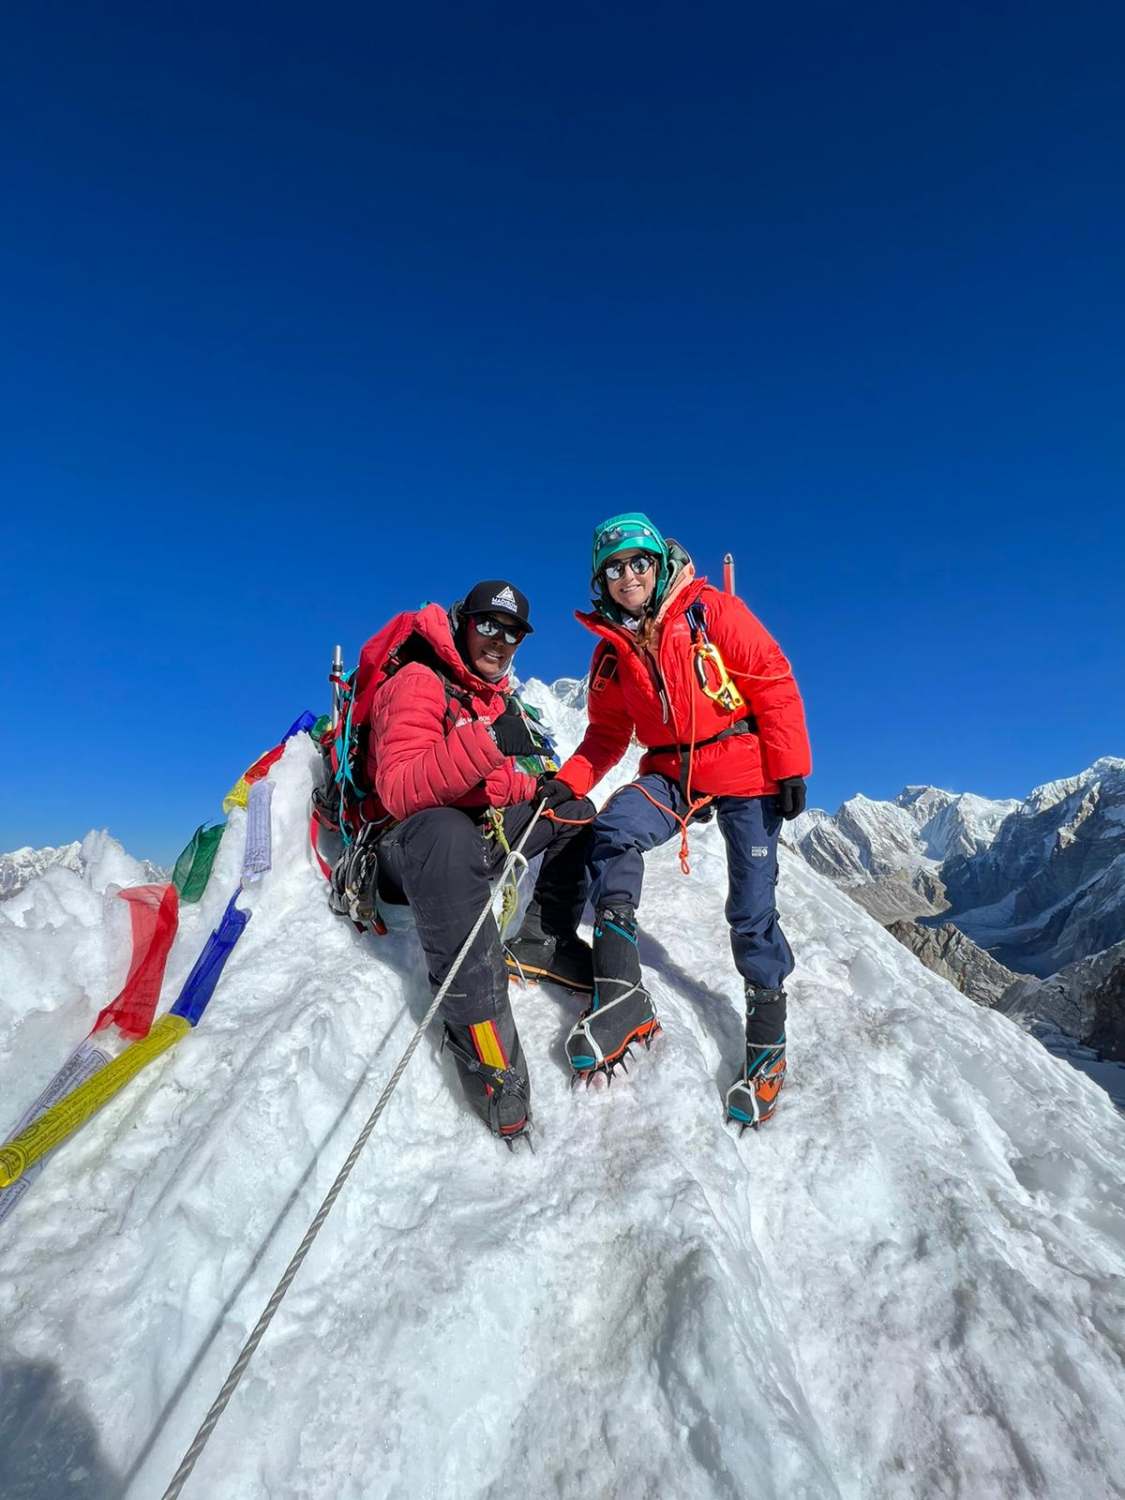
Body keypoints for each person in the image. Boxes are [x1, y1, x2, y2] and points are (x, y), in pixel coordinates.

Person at [550, 516, 812, 1127]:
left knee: (750, 911)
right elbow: (608, 735)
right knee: (613, 829)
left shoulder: (708, 611)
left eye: (638, 562)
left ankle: (767, 1045)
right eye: (613, 569)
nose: (628, 576)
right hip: (674, 771)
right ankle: (621, 991)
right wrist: (568, 783)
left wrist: (791, 765)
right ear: (601, 580)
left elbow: (771, 678)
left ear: (658, 563)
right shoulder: (611, 653)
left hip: (745, 767)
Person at [370, 580, 595, 1143]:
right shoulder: (419, 681)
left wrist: (537, 789)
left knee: (571, 809)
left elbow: (488, 783)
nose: (500, 641)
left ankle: (544, 936)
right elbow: (399, 789)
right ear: (463, 622)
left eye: (512, 632)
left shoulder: (484, 696)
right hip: (408, 851)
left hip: (468, 838)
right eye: (489, 626)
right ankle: (489, 1062)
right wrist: (492, 740)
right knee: (447, 832)